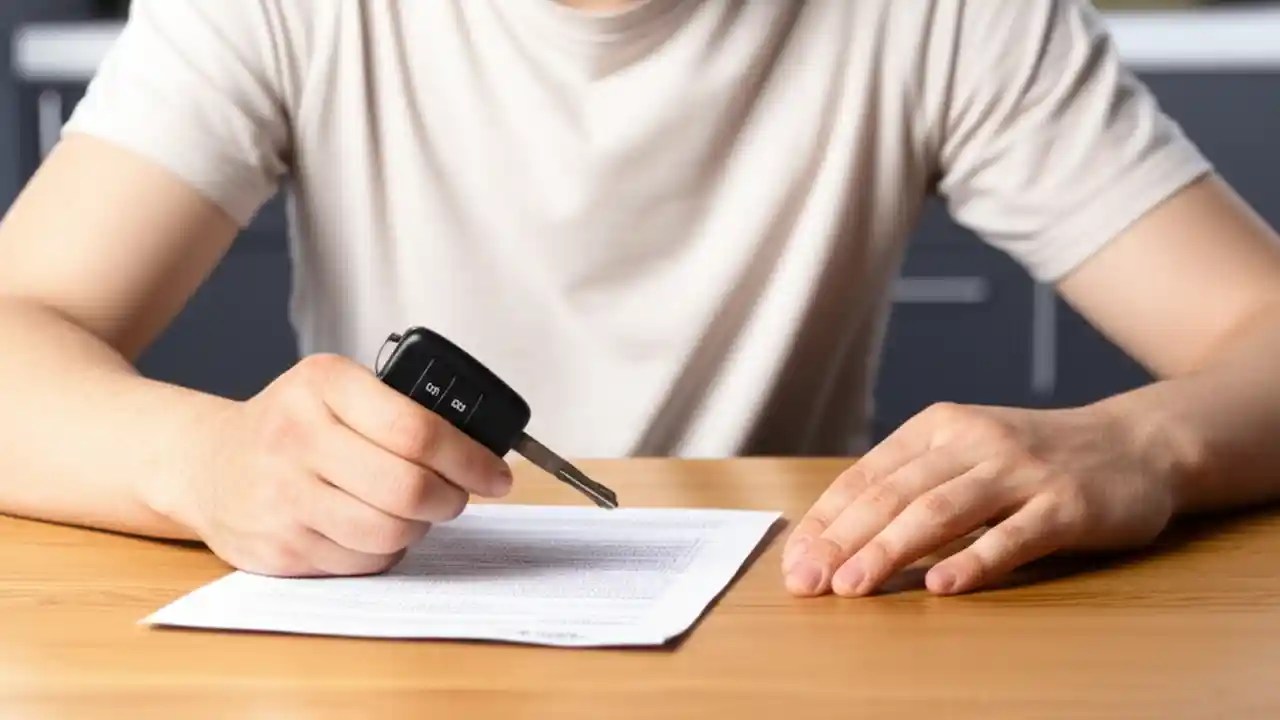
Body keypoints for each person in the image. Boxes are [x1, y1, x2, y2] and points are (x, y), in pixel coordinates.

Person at [1, 0, 1278, 598]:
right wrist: (203, 458)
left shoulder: (953, 16)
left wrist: (1142, 440)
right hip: (388, 651)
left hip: (794, 633)